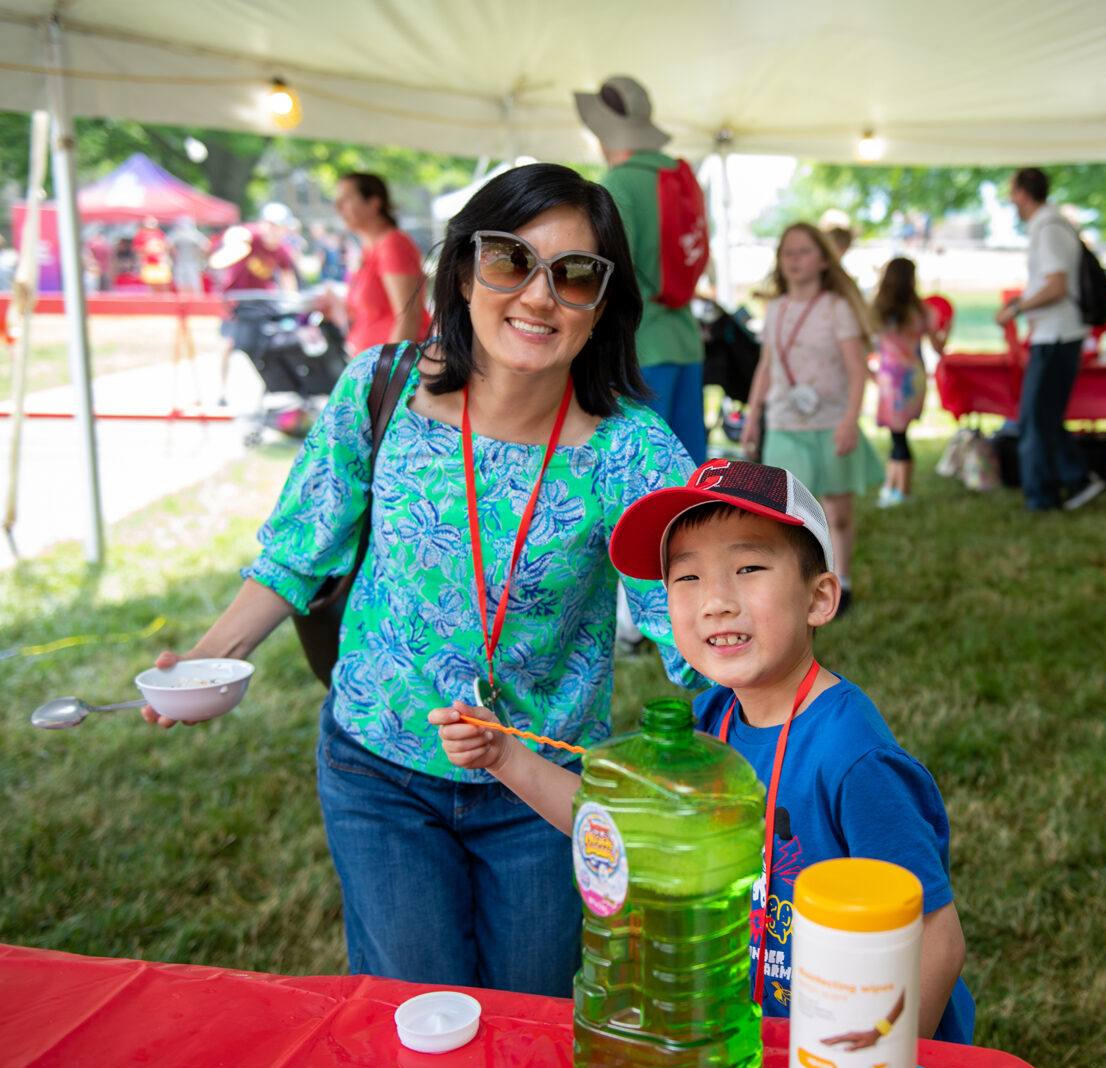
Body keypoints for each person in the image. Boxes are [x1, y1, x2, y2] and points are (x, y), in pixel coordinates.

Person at [141, 163, 704, 995]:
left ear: (603, 304)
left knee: (526, 1023)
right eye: (511, 260)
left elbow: (692, 630)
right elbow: (300, 551)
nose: (539, 297)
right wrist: (205, 661)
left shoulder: (633, 452)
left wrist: (799, 721)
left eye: (574, 274)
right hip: (379, 770)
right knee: (415, 1015)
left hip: (542, 787)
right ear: (465, 269)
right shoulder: (382, 387)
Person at [430, 458, 974, 1043]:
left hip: (846, 1048)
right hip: (738, 1038)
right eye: (687, 578)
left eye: (748, 567)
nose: (716, 601)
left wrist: (884, 1061)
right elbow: (614, 822)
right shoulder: (709, 725)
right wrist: (504, 757)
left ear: (818, 599)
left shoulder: (852, 759)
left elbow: (938, 936)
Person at [740, 224, 877, 616]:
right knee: (787, 514)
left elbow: (856, 370)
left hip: (831, 423)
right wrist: (754, 415)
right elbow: (765, 367)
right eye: (788, 253)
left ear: (822, 259)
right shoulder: (777, 309)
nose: (795, 261)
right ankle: (793, 583)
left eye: (803, 252)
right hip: (785, 423)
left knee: (837, 511)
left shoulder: (837, 308)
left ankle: (842, 579)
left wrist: (851, 420)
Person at [575, 75, 707, 467]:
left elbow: (608, 274)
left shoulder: (619, 183)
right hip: (685, 338)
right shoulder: (680, 175)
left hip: (641, 345)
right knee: (689, 468)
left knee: (640, 466)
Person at [994, 167, 1106, 513]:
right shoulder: (1050, 225)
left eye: (1013, 193)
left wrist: (1016, 308)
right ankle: (1076, 480)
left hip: (1057, 336)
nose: (1011, 201)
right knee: (1042, 418)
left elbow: (1056, 287)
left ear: (1023, 194)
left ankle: (1044, 496)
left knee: (1033, 420)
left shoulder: (1048, 227)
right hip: (1055, 335)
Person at [872, 257, 946, 507]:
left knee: (898, 436)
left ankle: (900, 491)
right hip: (913, 377)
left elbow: (867, 344)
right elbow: (939, 345)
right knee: (899, 435)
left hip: (891, 379)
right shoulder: (922, 311)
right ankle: (893, 485)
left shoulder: (880, 311)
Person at [211, 205, 300, 406]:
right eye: (270, 225)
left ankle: (269, 389)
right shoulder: (249, 236)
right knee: (227, 345)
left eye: (279, 226)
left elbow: (288, 276)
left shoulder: (281, 250)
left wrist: (290, 299)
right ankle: (221, 390)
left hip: (261, 304)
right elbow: (235, 234)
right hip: (236, 302)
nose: (273, 230)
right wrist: (234, 241)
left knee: (266, 347)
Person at [333, 172, 430, 355]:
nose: (338, 207)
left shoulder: (392, 245)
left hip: (389, 371)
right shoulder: (369, 248)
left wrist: (389, 375)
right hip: (368, 363)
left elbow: (409, 316)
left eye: (347, 199)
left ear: (374, 203)